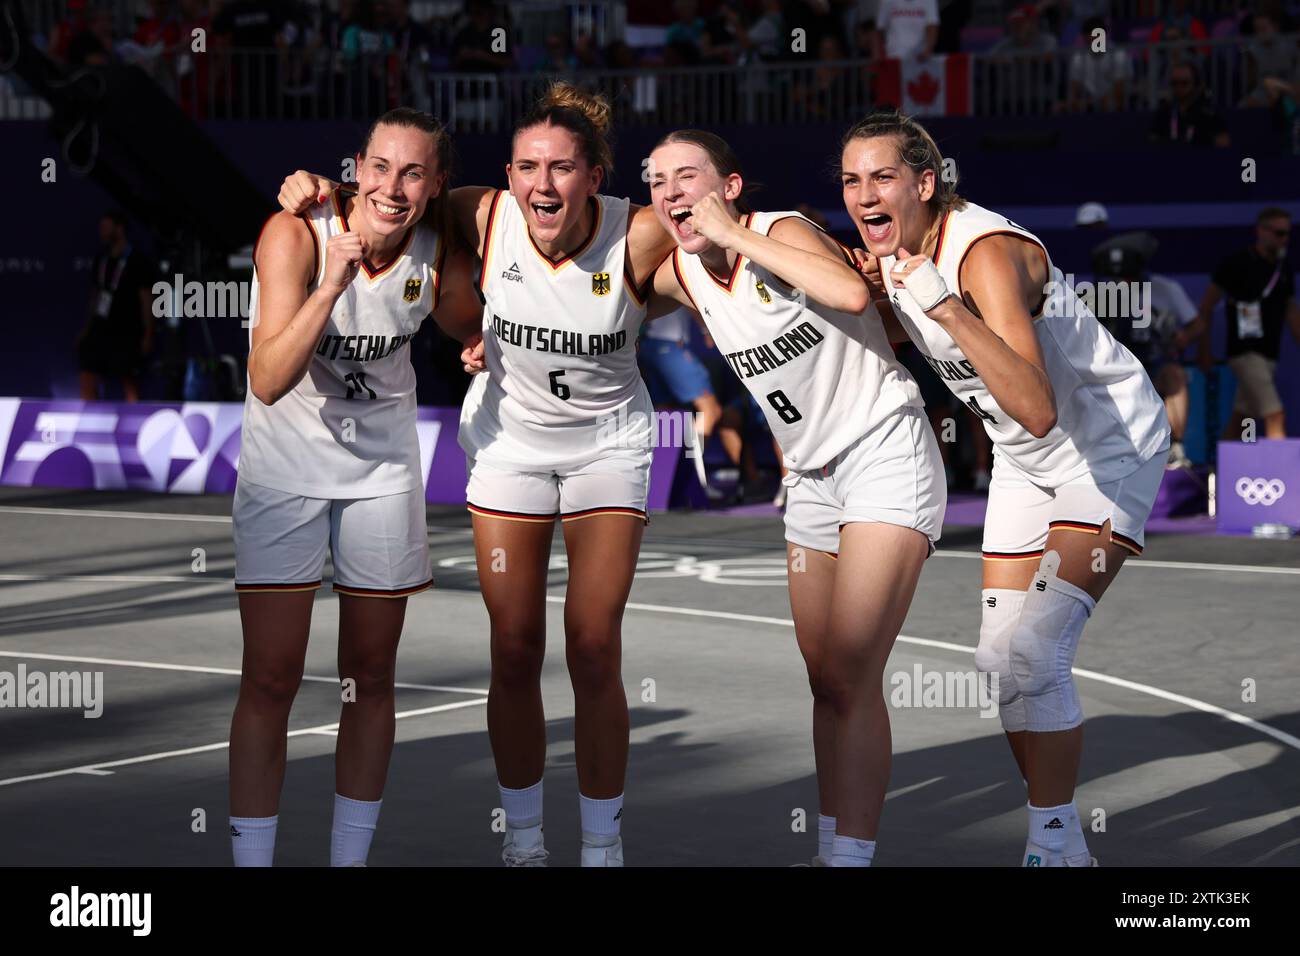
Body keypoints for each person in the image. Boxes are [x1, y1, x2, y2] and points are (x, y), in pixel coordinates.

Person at [278, 84, 677, 867]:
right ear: (507, 173)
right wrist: (319, 190)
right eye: (528, 166)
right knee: (515, 648)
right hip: (509, 448)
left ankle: (603, 848)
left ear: (595, 177)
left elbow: (740, 245)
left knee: (594, 648)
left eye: (563, 168)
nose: (543, 184)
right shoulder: (483, 214)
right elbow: (393, 198)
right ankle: (523, 843)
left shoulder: (643, 234)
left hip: (607, 446)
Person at [843, 111, 1170, 866]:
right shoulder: (896, 259)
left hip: (1106, 450)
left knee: (1035, 651)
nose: (865, 195)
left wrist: (940, 302)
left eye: (883, 177)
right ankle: (1059, 834)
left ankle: (1051, 849)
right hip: (1029, 462)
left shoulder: (982, 256)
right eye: (853, 180)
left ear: (925, 183)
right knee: (1000, 662)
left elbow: (1035, 402)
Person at [647, 129, 945, 866]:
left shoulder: (779, 230)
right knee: (824, 680)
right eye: (658, 182)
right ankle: (828, 844)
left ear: (732, 187)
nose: (673, 192)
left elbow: (848, 291)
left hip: (884, 447)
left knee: (850, 667)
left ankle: (853, 858)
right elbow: (608, 298)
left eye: (690, 176)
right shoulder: (680, 273)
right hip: (809, 479)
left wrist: (733, 237)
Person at [230, 108, 481, 867]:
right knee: (271, 677)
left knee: (369, 676)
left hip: (381, 468)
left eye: (412, 173)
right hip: (285, 465)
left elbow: (476, 323)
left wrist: (479, 346)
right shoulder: (295, 232)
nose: (392, 186)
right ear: (357, 166)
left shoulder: (437, 246)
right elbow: (269, 378)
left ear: (436, 184)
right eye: (378, 167)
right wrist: (331, 281)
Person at [1186, 207, 1300, 440]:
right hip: (1244, 353)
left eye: (1287, 234)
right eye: (1278, 233)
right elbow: (1207, 306)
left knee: (1240, 419)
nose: (1284, 239)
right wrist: (1203, 350)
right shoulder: (1236, 264)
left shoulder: (1284, 269)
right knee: (1275, 414)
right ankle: (1284, 474)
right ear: (1261, 231)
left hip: (1269, 355)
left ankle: (1220, 470)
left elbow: (1291, 312)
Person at [1091, 232, 1199, 466]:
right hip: (1110, 373)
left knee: (1175, 375)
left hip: (1152, 368)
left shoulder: (1164, 290)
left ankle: (1173, 449)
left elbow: (1196, 324)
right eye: (1113, 279)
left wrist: (1182, 337)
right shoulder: (1094, 297)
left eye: (1126, 278)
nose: (1120, 284)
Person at [638, 305, 723, 493]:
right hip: (669, 345)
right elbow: (690, 300)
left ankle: (664, 484)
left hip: (651, 346)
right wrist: (707, 330)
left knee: (666, 415)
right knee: (711, 410)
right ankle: (691, 477)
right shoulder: (679, 275)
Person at [77, 209, 155, 402]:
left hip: (126, 329)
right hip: (100, 327)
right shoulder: (101, 260)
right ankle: (87, 422)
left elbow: (146, 299)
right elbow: (95, 296)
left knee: (128, 379)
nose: (102, 231)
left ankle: (135, 425)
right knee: (87, 374)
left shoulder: (137, 260)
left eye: (106, 227)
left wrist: (148, 332)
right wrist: (87, 328)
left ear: (119, 229)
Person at [1148, 61, 1230, 147]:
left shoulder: (1208, 114)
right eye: (1174, 83)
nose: (1178, 87)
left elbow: (1223, 142)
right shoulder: (1164, 112)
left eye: (1184, 83)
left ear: (1196, 85)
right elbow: (1153, 141)